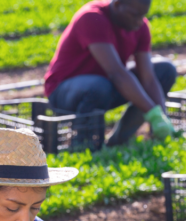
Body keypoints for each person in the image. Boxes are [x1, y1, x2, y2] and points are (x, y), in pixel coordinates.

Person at [44, 0, 178, 146]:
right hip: (64, 90)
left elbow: (149, 79)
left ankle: (120, 140)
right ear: (117, 5)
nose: (139, 21)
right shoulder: (92, 17)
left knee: (165, 70)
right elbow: (116, 73)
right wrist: (152, 113)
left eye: (143, 15)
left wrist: (161, 115)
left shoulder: (139, 26)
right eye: (134, 15)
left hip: (105, 86)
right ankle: (85, 143)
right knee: (99, 86)